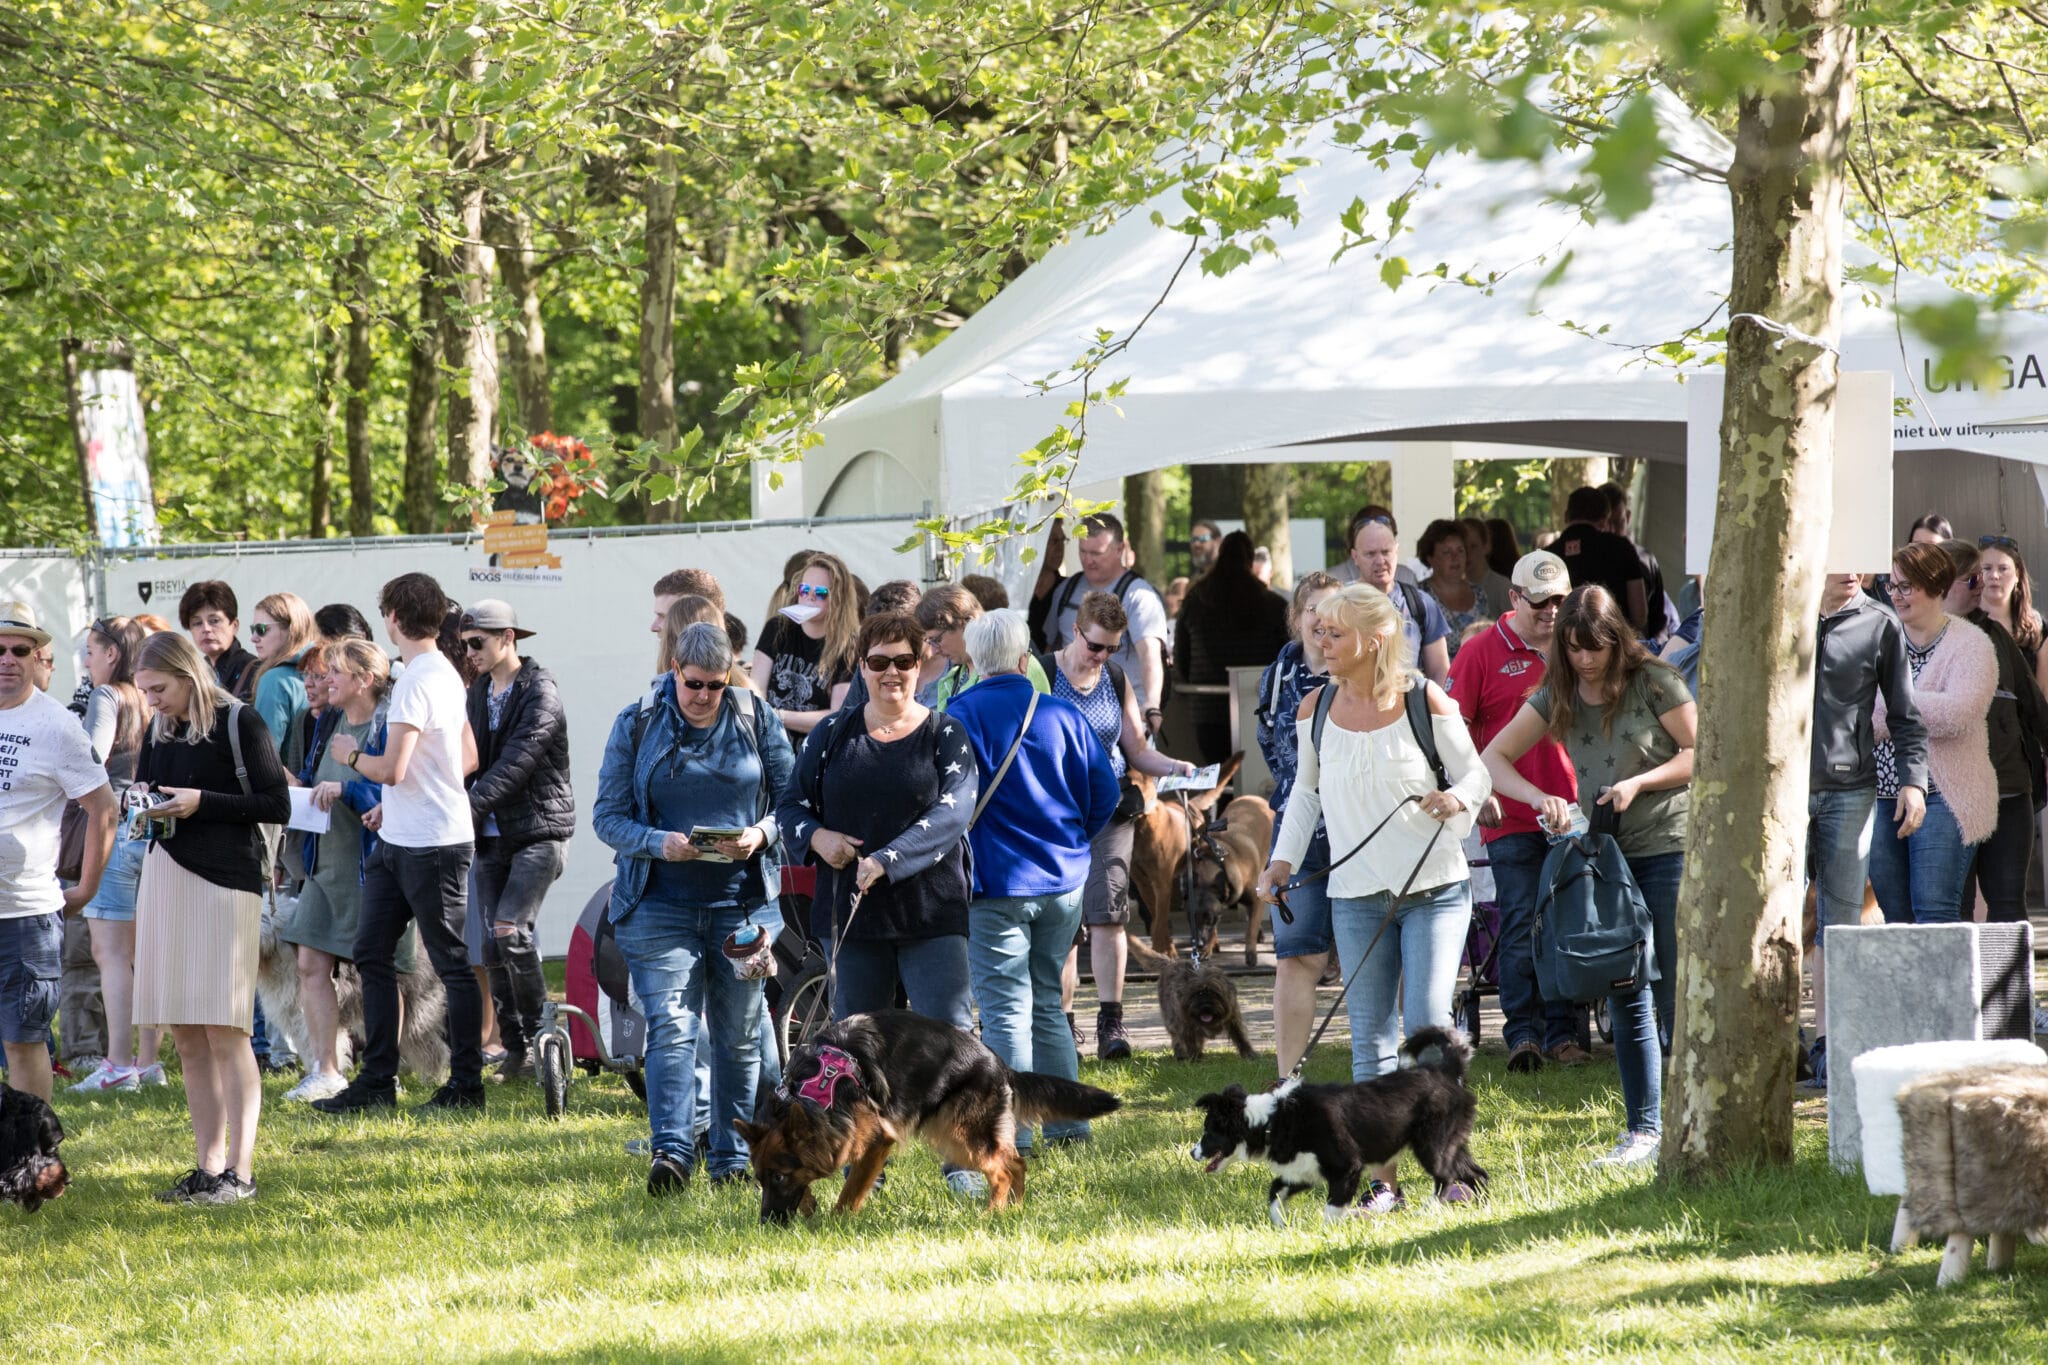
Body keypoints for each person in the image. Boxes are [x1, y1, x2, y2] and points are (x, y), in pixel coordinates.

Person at [1257, 583, 1488, 1211]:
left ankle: (1453, 1172)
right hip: (1355, 894)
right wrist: (1280, 860)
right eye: (1317, 630)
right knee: (1371, 1041)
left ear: (1375, 637)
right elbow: (1304, 794)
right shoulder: (1313, 709)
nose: (1320, 641)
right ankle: (1383, 1185)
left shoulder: (1426, 701)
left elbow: (1476, 772)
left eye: (1334, 632)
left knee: (1425, 1028)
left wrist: (1457, 798)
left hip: (1435, 888)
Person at [1476, 585, 1690, 1168]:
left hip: (1666, 844)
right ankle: (1643, 1130)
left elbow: (1703, 751)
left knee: (1672, 984)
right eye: (1574, 649)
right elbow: (1491, 759)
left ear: (1616, 639)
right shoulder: (1556, 690)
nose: (1586, 660)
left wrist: (1639, 783)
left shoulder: (1655, 680)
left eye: (1595, 648)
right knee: (1625, 982)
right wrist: (1540, 796)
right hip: (1603, 854)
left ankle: (1688, 1121)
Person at [595, 621, 795, 1195]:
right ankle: (673, 1153)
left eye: (716, 684)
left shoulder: (756, 717)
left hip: (744, 907)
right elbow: (607, 816)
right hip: (658, 906)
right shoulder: (636, 722)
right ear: (674, 671)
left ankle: (732, 1160)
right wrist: (661, 842)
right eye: (694, 685)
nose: (705, 696)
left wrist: (761, 833)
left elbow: (792, 801)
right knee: (674, 1026)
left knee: (738, 1035)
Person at [314, 573, 486, 1116]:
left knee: (450, 961)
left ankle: (466, 1085)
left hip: (430, 845)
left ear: (391, 616)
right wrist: (404, 802)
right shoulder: (443, 673)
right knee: (371, 953)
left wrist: (349, 756)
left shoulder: (416, 681)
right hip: (403, 834)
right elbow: (464, 758)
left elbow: (391, 767)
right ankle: (378, 1082)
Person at [129, 630, 291, 1203]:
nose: (151, 700)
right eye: (144, 691)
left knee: (226, 1029)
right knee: (186, 1031)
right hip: (165, 873)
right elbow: (145, 786)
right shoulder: (158, 726)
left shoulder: (239, 721)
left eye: (159, 688)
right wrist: (142, 803)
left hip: (226, 882)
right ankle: (208, 1165)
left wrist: (203, 802)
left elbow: (277, 803)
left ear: (188, 674)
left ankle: (240, 1175)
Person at [948, 609, 1118, 1151]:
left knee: (1004, 1009)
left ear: (973, 662)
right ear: (1025, 659)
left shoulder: (957, 717)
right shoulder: (1064, 715)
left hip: (994, 883)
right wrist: (1072, 841)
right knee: (1048, 1001)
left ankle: (1011, 1136)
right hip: (1063, 880)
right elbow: (1106, 797)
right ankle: (1069, 1127)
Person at [1446, 550, 1586, 1073]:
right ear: (1514, 598)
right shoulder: (1482, 651)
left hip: (1575, 814)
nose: (1551, 611)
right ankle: (1523, 1033)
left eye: (1559, 600)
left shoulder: (1580, 647)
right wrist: (1476, 791)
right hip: (1512, 816)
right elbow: (1451, 732)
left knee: (1569, 924)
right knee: (1523, 919)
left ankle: (1564, 1032)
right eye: (1539, 601)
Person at [1042, 592, 1198, 1060]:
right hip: (1056, 813)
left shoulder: (1115, 677)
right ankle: (1062, 1023)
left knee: (1108, 914)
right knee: (1064, 922)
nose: (1102, 656)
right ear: (1075, 631)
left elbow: (1136, 749)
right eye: (1095, 647)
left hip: (1110, 809)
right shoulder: (1042, 673)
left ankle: (1112, 1021)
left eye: (1112, 648)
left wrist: (1175, 767)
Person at [1801, 568, 1926, 1081]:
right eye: (1839, 557)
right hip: (1778, 790)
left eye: (1861, 558)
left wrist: (1913, 781)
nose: (1852, 571)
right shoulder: (1778, 615)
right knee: (1777, 918)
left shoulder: (1881, 623)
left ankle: (1830, 1042)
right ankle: (1777, 1038)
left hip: (1850, 790)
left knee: (1841, 923)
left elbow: (1905, 714)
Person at [281, 638, 413, 1104]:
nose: (325, 680)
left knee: (383, 972)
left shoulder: (386, 725)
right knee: (309, 962)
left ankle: (384, 1069)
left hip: (372, 866)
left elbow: (394, 793)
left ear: (365, 680)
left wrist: (348, 789)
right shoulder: (327, 723)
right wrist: (295, 785)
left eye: (334, 671)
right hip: (326, 863)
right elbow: (319, 781)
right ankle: (326, 1069)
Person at [0, 603, 118, 1104]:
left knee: (23, 1043)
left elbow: (103, 810)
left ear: (38, 658)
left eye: (19, 650)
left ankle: (30, 1160)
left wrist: (87, 889)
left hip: (24, 913)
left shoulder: (57, 726)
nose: (7, 659)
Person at [459, 600, 573, 1082]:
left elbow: (517, 763)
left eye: (477, 642)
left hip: (538, 833)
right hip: (490, 837)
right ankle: (516, 1050)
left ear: (508, 637)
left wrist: (463, 808)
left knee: (511, 931)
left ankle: (544, 1035)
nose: (469, 652)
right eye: (465, 644)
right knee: (490, 946)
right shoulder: (478, 691)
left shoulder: (541, 690)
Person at [1869, 542, 1998, 925]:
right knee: (1895, 916)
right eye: (1892, 586)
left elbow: (1961, 712)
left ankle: (1945, 989)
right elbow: (1865, 719)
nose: (1896, 595)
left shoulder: (1972, 644)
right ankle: (1906, 989)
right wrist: (1917, 708)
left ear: (1937, 587)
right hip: (1883, 795)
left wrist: (1894, 706)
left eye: (1906, 586)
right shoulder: (1879, 638)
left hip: (1946, 795)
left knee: (1934, 911)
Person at [69, 616, 169, 1093]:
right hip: (155, 830)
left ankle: (116, 1065)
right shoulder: (152, 697)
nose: (86, 661)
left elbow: (91, 756)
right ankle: (148, 1062)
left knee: (110, 955)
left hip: (116, 827)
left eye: (91, 650)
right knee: (146, 953)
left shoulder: (107, 696)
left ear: (112, 654)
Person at [1256, 572, 1340, 1076]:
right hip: (1297, 828)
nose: (1320, 620)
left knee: (1371, 953)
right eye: (1312, 609)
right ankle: (1287, 1078)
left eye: (1332, 611)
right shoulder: (1277, 675)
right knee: (1296, 953)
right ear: (1297, 617)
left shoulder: (1355, 671)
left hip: (1358, 828)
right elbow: (1270, 741)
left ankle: (1387, 1069)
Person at [1036, 513, 1171, 721]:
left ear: (1119, 550)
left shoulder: (1140, 596)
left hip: (1125, 715)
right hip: (1068, 715)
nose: (1088, 560)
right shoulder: (1065, 590)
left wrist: (1152, 705)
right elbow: (1049, 650)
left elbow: (1150, 656)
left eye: (1097, 553)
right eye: (1083, 551)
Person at [1174, 529, 1290, 763]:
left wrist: (1188, 683)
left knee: (1217, 779)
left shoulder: (1196, 600)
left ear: (1220, 555)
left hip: (1207, 707)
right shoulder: (1273, 604)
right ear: (1249, 560)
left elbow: (1181, 656)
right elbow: (1286, 656)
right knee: (1254, 777)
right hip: (1258, 703)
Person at [751, 551, 858, 735]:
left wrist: (777, 716)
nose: (810, 597)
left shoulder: (848, 646)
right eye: (804, 590)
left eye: (821, 593)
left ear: (838, 598)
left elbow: (836, 715)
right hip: (771, 743)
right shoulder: (777, 628)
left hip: (816, 751)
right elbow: (755, 693)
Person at [1347, 513, 1451, 686]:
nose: (1380, 561)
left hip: (1408, 707)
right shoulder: (1340, 603)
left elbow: (1440, 670)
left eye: (1386, 552)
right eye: (1370, 554)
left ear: (1396, 551)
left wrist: (1430, 710)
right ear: (1355, 557)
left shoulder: (1421, 603)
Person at [916, 583, 1050, 710]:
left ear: (965, 623)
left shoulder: (1011, 662)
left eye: (936, 640)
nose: (934, 650)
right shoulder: (954, 676)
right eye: (929, 642)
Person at [1552, 487, 1648, 633]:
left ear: (1566, 516)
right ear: (1604, 520)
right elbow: (1639, 615)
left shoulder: (1548, 554)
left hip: (1564, 643)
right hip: (1613, 641)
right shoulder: (1622, 548)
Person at [1598, 481, 1669, 639]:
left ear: (1628, 517)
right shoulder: (1591, 558)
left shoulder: (1645, 559)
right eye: (1606, 523)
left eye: (1618, 522)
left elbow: (1658, 618)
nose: (1612, 530)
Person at [1418, 519, 1492, 659]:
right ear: (1430, 557)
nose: (1455, 557)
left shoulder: (1479, 593)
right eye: (1447, 552)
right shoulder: (1420, 596)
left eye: (1460, 550)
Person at [178, 582, 258, 698]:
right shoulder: (194, 674)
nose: (206, 629)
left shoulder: (255, 671)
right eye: (197, 623)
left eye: (214, 621)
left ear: (234, 625)